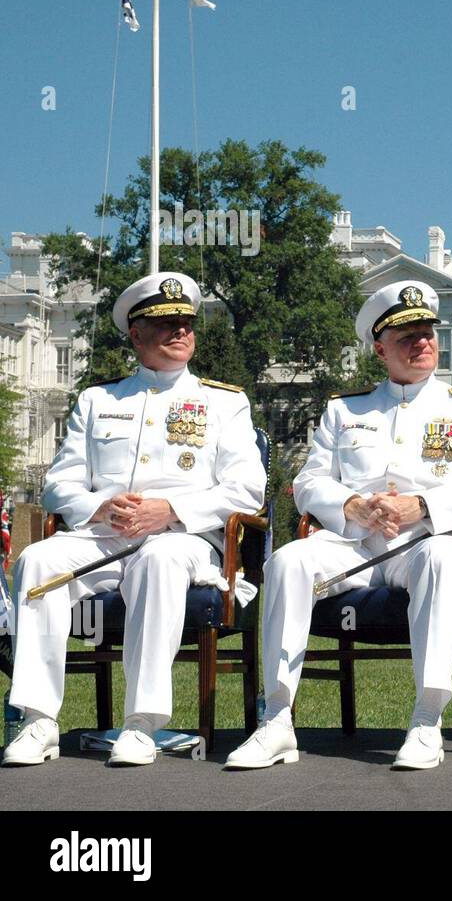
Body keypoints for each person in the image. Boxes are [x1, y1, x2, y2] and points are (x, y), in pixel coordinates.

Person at [225, 280, 452, 770]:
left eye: (428, 332)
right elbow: (309, 481)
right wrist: (353, 504)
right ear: (380, 349)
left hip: (426, 541)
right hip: (353, 547)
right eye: (407, 336)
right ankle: (275, 720)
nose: (423, 342)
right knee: (287, 560)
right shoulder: (345, 410)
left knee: (446, 557)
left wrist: (423, 505)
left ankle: (427, 720)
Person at [3, 272, 265, 766]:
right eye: (166, 324)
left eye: (186, 322)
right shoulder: (98, 401)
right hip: (103, 536)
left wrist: (169, 510)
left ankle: (142, 723)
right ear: (136, 333)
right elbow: (59, 484)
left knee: (160, 559)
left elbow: (246, 489)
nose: (180, 331)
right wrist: (98, 506)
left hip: (182, 538)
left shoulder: (225, 403)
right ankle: (37, 721)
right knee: (38, 560)